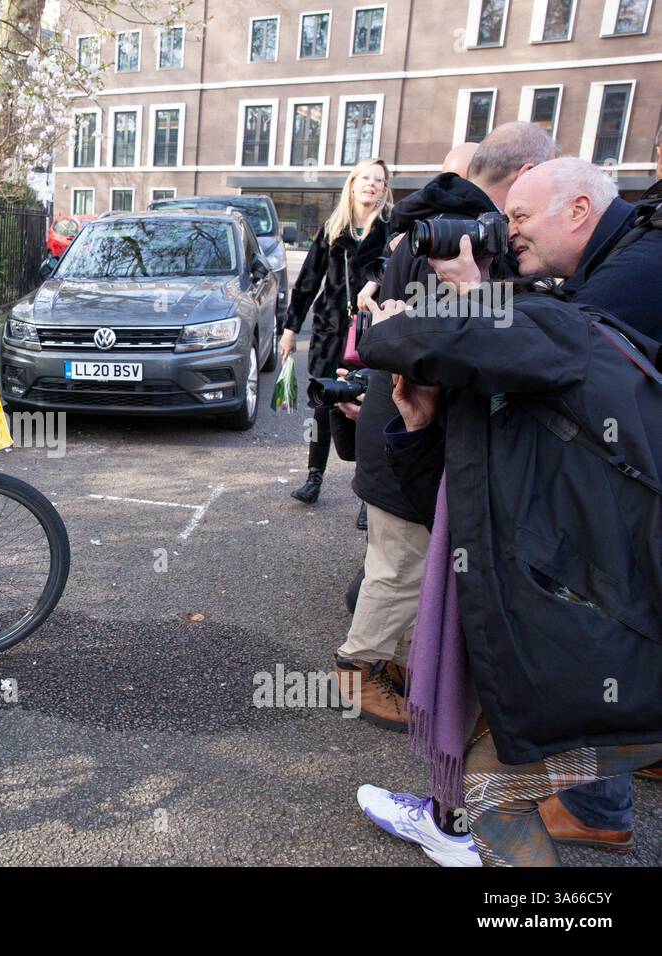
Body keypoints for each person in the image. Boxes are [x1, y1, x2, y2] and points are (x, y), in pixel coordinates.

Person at [359, 157, 662, 866]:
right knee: (492, 794)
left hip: (607, 645)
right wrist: (416, 419)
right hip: (577, 638)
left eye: (518, 217)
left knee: (493, 797)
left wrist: (402, 321)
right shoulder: (545, 329)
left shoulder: (573, 326)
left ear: (581, 211)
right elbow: (452, 490)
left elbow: (412, 340)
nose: (506, 229)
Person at [334, 124, 553, 734]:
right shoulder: (461, 239)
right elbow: (454, 341)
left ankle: (382, 663)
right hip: (407, 425)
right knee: (398, 565)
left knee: (397, 559)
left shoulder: (427, 231)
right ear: (520, 175)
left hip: (403, 423)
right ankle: (360, 669)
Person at [279, 158, 392, 505]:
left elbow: (401, 277)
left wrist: (376, 282)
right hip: (330, 332)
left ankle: (367, 495)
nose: (371, 184)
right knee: (324, 406)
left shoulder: (391, 231)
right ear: (353, 183)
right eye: (365, 178)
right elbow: (308, 281)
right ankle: (314, 478)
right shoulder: (333, 229)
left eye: (379, 180)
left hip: (371, 333)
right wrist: (289, 329)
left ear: (384, 191)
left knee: (368, 409)